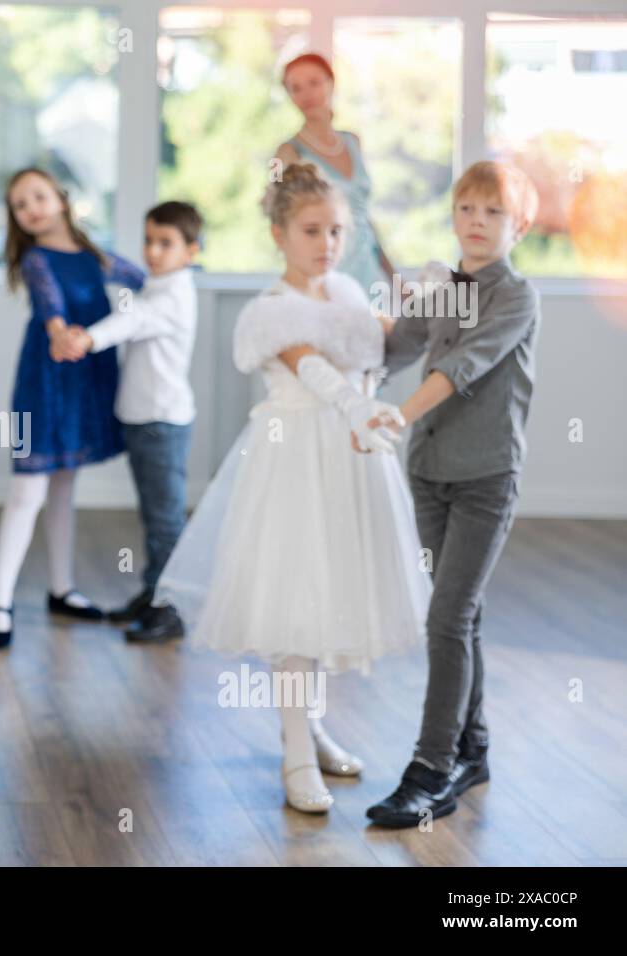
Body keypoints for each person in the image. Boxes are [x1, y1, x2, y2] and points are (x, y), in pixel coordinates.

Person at [156, 163, 430, 813]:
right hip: (298, 456)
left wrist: (421, 311)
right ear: (280, 233)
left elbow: (381, 355)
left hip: (356, 459)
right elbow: (313, 370)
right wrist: (360, 411)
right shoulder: (271, 311)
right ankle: (294, 752)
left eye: (337, 230)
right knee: (295, 596)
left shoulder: (351, 296)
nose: (327, 243)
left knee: (331, 593)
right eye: (312, 230)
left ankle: (313, 726)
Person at [366, 160, 541, 828]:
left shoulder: (517, 296)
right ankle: (475, 746)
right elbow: (396, 346)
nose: (476, 222)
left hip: (486, 480)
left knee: (445, 619)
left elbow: (458, 367)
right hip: (430, 474)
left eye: (493, 213)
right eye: (466, 209)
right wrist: (331, 324)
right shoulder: (442, 285)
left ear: (518, 225)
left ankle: (431, 768)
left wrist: (397, 415)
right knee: (459, 616)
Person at [0, 167, 146, 648]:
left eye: (38, 196)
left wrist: (178, 276)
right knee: (28, 490)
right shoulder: (36, 259)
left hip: (83, 379)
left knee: (64, 485)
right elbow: (50, 305)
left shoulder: (95, 255)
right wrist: (60, 333)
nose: (30, 208)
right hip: (47, 378)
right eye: (19, 204)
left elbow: (142, 279)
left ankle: (61, 589)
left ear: (61, 197)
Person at [57, 200, 202, 642]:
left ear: (191, 252)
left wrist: (88, 337)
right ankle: (153, 592)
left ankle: (169, 609)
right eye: (149, 241)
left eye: (166, 243)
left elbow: (131, 321)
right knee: (153, 515)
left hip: (161, 422)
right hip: (144, 420)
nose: (154, 252)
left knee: (164, 519)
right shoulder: (158, 286)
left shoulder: (173, 295)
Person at [271, 52, 393, 297]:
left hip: (370, 274)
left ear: (331, 83)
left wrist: (395, 278)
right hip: (325, 274)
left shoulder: (353, 141)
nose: (306, 94)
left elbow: (365, 217)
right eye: (295, 88)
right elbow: (275, 214)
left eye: (314, 83)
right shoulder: (285, 153)